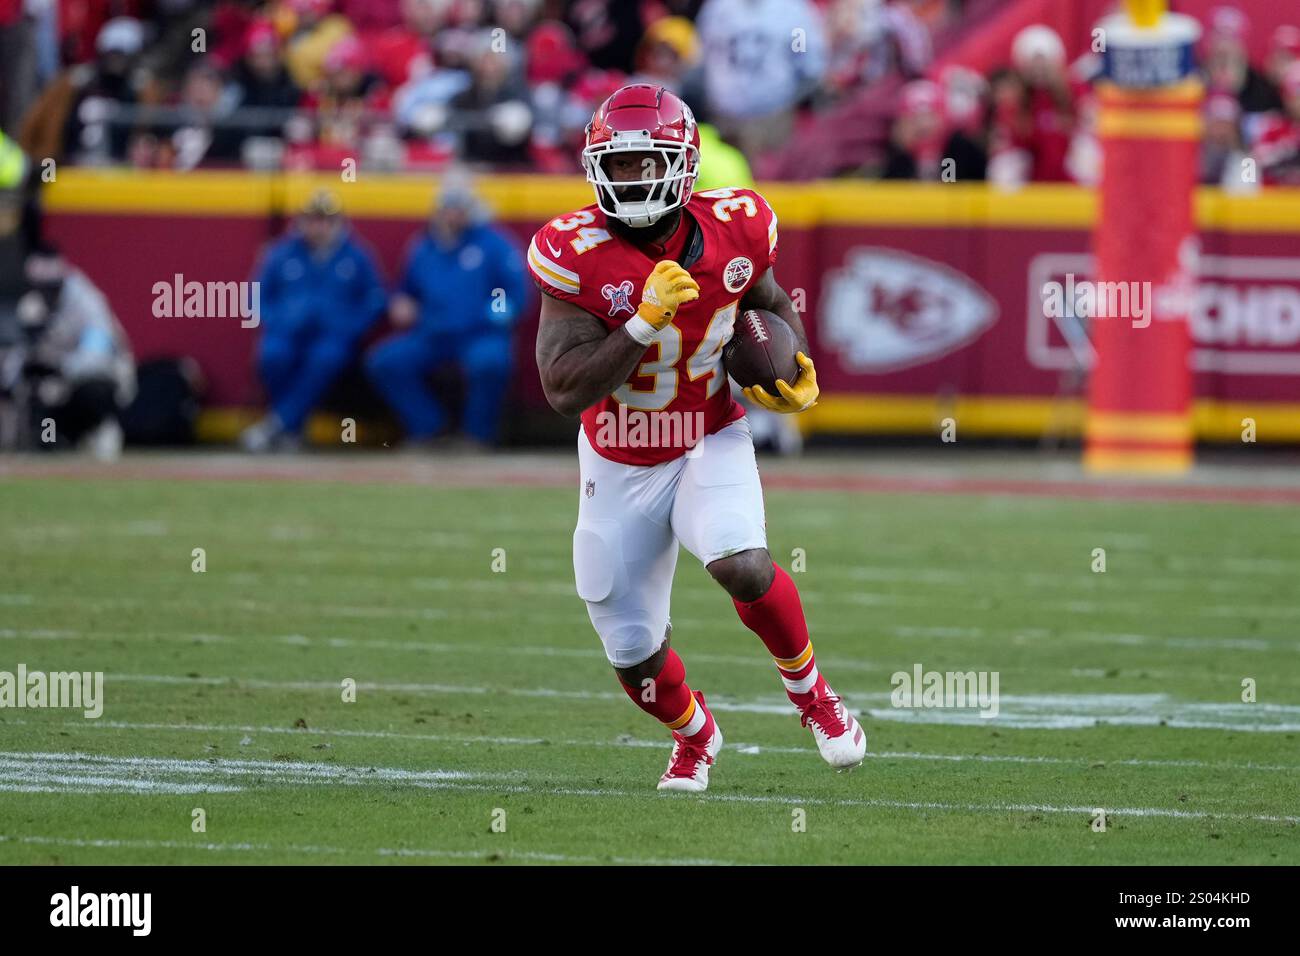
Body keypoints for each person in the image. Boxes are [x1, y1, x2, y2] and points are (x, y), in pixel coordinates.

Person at [530, 84, 865, 793]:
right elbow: (563, 389)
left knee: (740, 563)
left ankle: (813, 697)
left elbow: (771, 306)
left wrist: (795, 362)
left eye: (646, 161)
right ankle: (696, 735)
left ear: (682, 164)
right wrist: (642, 324)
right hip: (617, 455)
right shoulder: (575, 251)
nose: (632, 179)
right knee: (633, 655)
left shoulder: (740, 225)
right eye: (617, 167)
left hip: (707, 435)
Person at [365, 175, 527, 447]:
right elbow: (407, 290)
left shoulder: (495, 244)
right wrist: (402, 303)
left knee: (490, 362)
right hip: (432, 333)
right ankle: (429, 429)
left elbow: (517, 293)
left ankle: (477, 436)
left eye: (459, 207)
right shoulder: (424, 246)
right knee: (386, 362)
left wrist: (494, 316)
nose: (452, 214)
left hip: (481, 333)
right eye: (447, 208)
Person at [241, 190, 387, 451]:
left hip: (332, 336)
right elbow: (256, 296)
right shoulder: (280, 253)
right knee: (272, 355)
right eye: (313, 219)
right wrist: (276, 320)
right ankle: (291, 429)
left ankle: (277, 425)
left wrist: (351, 327)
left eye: (326, 220)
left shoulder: (357, 256)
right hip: (286, 332)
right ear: (301, 222)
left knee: (325, 360)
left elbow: (375, 299)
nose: (319, 227)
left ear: (339, 223)